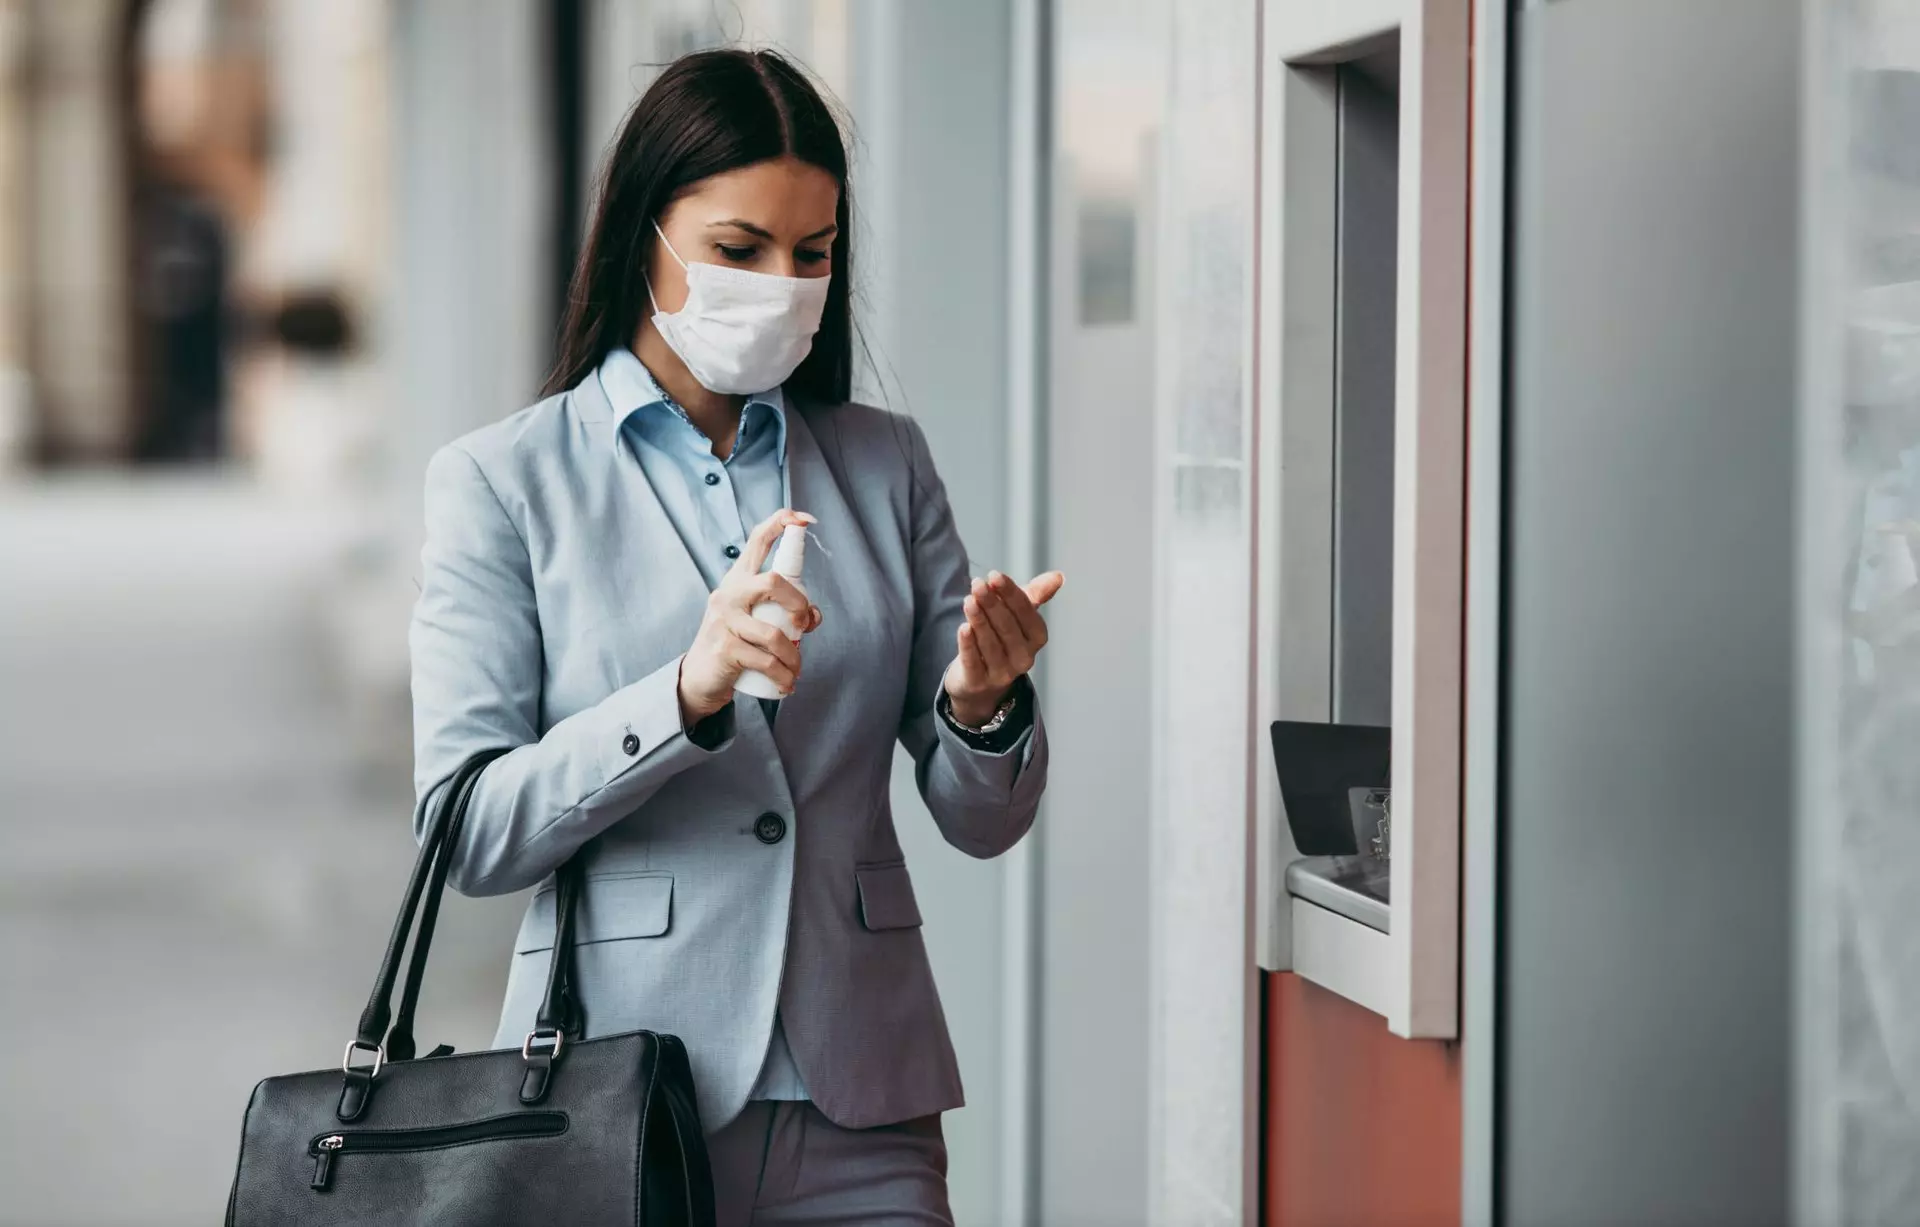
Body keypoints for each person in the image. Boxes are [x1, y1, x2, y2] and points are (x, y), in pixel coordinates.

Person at [408, 48, 1060, 1224]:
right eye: (739, 249)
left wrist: (983, 710)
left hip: (866, 1101)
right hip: (610, 1099)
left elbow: (983, 819)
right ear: (641, 238)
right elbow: (470, 833)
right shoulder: (504, 483)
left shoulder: (883, 462)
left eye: (812, 254)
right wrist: (683, 697)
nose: (784, 284)